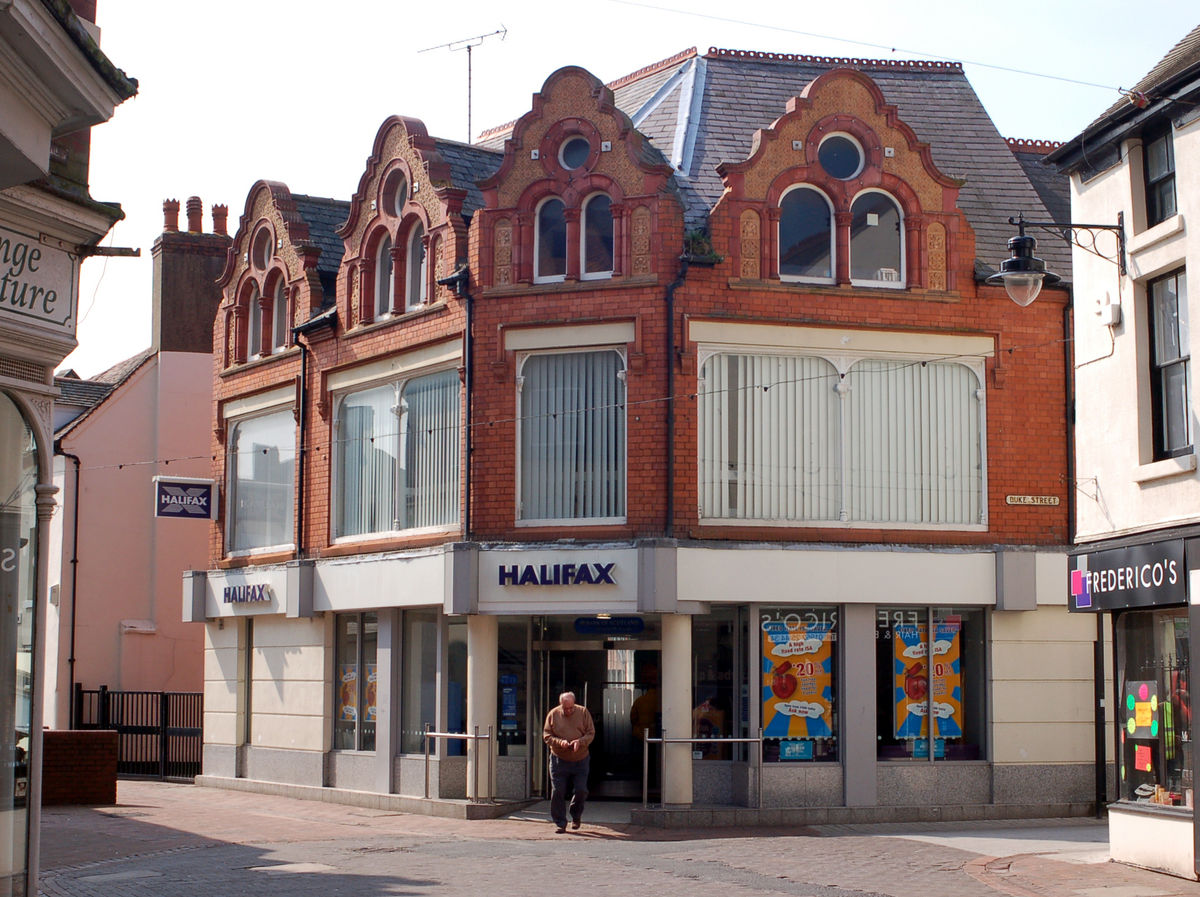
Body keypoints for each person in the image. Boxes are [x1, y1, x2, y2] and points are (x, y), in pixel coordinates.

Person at [543, 690, 594, 834]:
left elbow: (591, 733)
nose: (569, 711)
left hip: (580, 758)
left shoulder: (583, 712)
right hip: (559, 759)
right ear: (561, 705)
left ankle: (576, 815)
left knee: (581, 789)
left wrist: (580, 742)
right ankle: (560, 822)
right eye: (566, 708)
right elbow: (547, 735)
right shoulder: (553, 714)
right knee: (558, 791)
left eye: (571, 707)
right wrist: (560, 742)